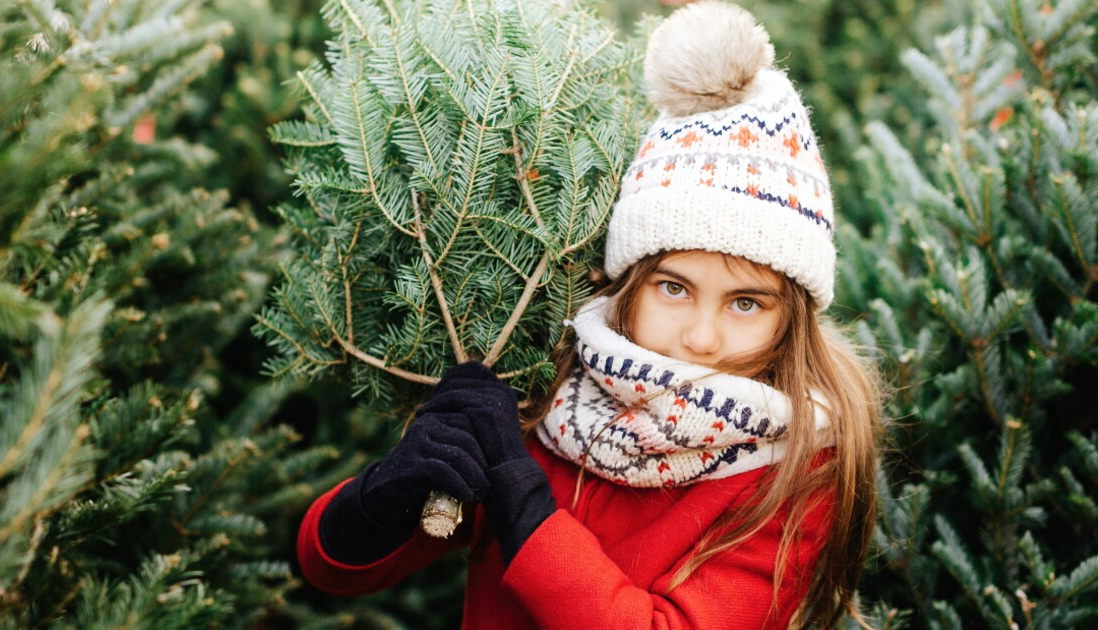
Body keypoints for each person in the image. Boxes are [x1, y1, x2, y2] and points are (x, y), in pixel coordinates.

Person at [296, 2, 883, 627]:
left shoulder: (793, 468)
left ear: (790, 316)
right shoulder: (553, 391)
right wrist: (395, 485)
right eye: (674, 288)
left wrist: (521, 499)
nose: (702, 337)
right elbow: (331, 564)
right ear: (631, 282)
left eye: (745, 303)